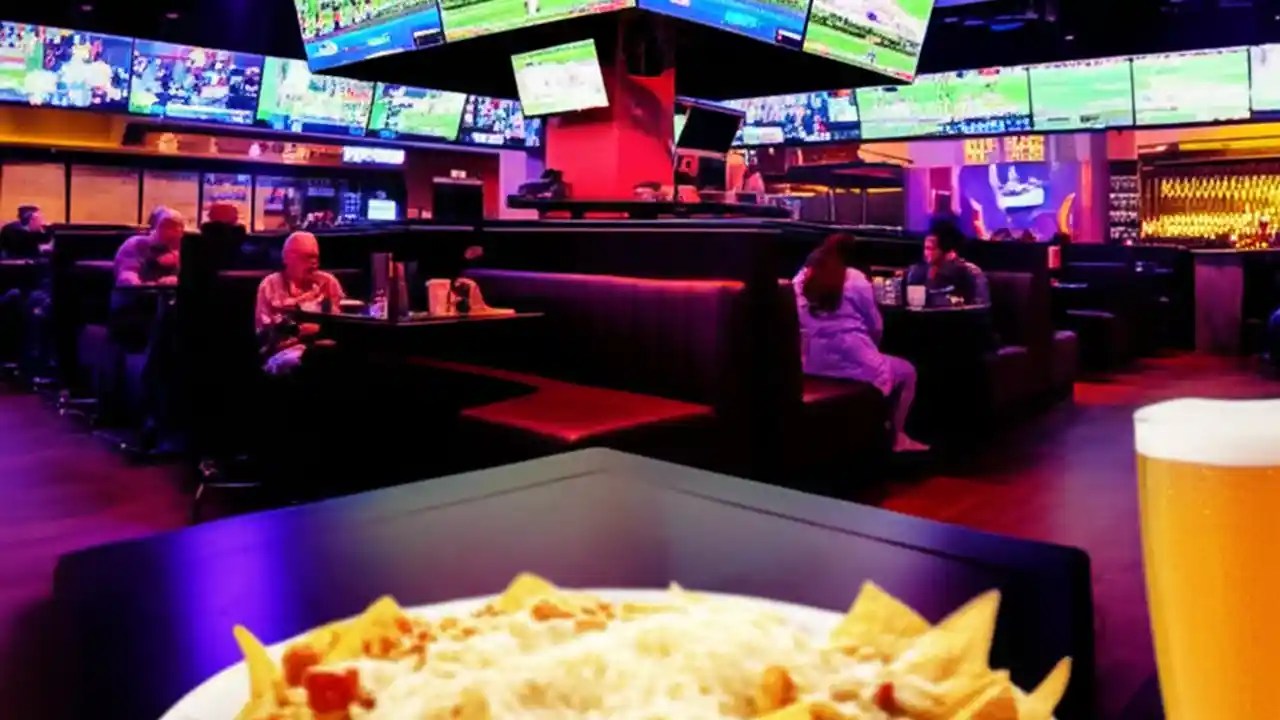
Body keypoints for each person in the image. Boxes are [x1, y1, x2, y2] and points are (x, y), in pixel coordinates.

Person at [794, 234, 928, 453]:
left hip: (812, 364)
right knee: (907, 371)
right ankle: (896, 437)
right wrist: (871, 349)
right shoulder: (855, 279)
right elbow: (876, 326)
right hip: (856, 363)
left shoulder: (799, 280)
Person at [255, 231, 344, 375]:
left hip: (323, 349)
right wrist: (300, 331)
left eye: (316, 257)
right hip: (284, 351)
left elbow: (341, 323)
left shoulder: (328, 282)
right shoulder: (270, 285)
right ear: (287, 258)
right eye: (307, 257)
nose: (314, 263)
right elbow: (263, 333)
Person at [110, 207, 184, 350]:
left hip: (172, 312)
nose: (174, 231)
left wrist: (176, 280)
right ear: (153, 226)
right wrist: (150, 286)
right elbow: (127, 276)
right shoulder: (136, 245)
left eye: (178, 226)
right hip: (133, 310)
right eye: (167, 225)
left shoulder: (185, 251)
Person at [906, 230, 987, 306]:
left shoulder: (971, 273)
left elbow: (980, 305)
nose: (926, 253)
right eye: (925, 248)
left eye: (930, 249)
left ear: (949, 253)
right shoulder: (918, 271)